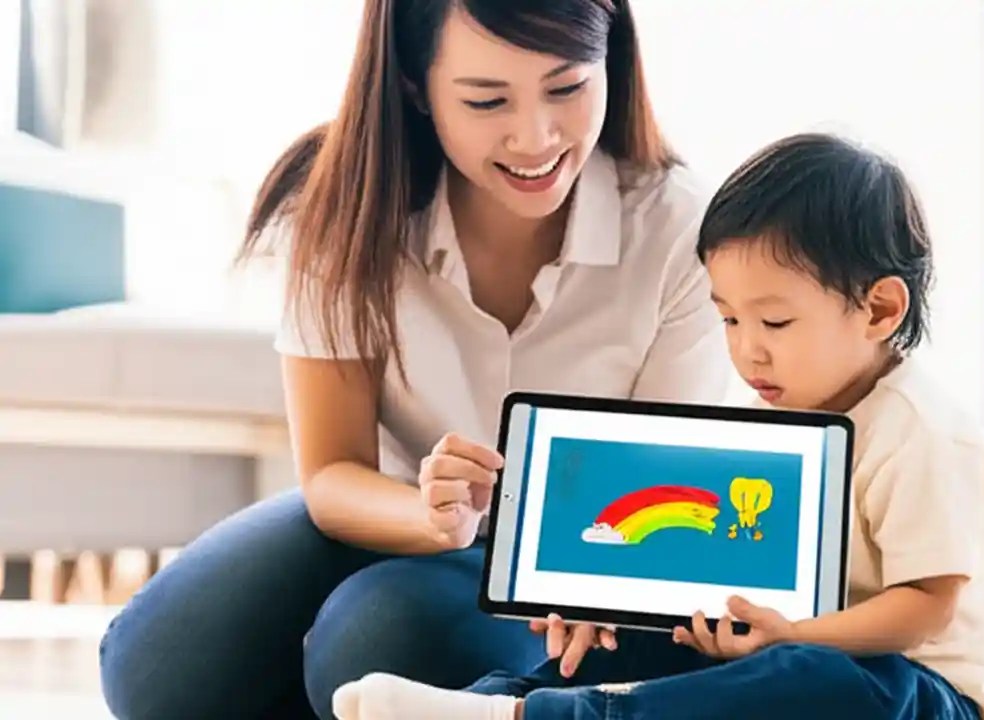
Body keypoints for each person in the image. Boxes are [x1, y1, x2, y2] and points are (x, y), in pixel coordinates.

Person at [97, 1, 730, 718]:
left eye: (568, 88)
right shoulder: (341, 206)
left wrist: (590, 584)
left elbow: (669, 484)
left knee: (378, 639)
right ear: (412, 84)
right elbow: (332, 474)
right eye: (486, 99)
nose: (536, 136)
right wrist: (429, 516)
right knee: (157, 666)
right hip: (389, 511)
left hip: (571, 564)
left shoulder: (679, 227)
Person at [329, 133, 984, 720]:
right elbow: (710, 558)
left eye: (774, 322)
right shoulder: (779, 413)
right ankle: (506, 701)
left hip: (916, 690)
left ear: (880, 310)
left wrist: (795, 635)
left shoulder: (921, 433)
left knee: (820, 678)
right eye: (730, 319)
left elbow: (928, 608)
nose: (747, 350)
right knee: (651, 638)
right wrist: (609, 603)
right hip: (784, 646)